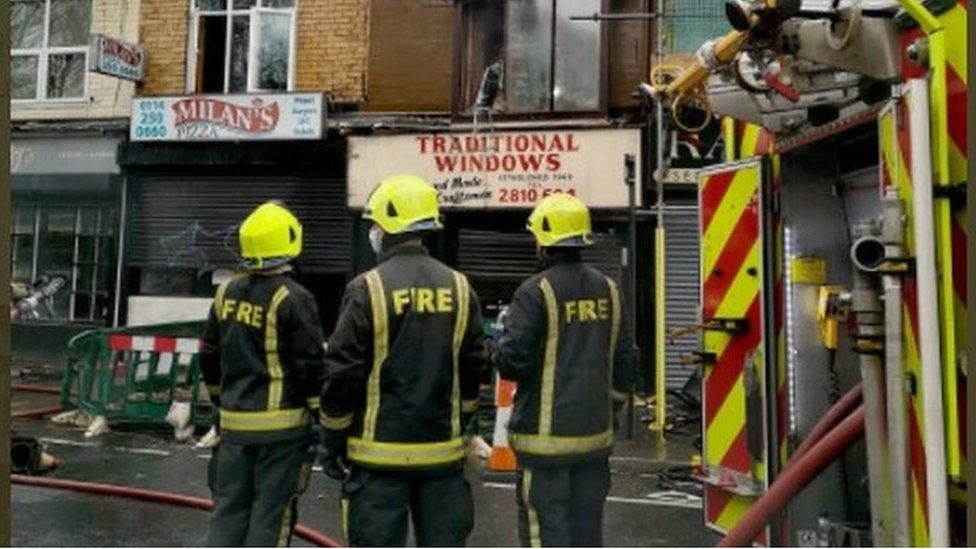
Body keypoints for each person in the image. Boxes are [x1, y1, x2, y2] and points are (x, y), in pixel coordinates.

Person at [319, 174, 486, 547]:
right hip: (443, 458)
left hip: (377, 461)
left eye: (376, 223)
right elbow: (474, 364)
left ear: (390, 226)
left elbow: (342, 371)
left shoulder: (367, 289)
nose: (373, 231)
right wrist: (463, 417)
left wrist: (331, 437)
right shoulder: (460, 286)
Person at [494, 193, 637, 547]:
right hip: (594, 443)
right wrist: (612, 407)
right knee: (586, 537)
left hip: (544, 449)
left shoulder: (534, 291)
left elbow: (513, 362)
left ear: (544, 240)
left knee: (546, 535)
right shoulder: (609, 289)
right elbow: (627, 361)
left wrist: (494, 348)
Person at [201, 201, 327, 547]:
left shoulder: (226, 292)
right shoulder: (294, 297)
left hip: (233, 428)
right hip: (281, 433)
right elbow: (310, 367)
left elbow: (209, 355)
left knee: (227, 512)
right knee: (271, 517)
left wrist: (221, 402)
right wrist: (323, 417)